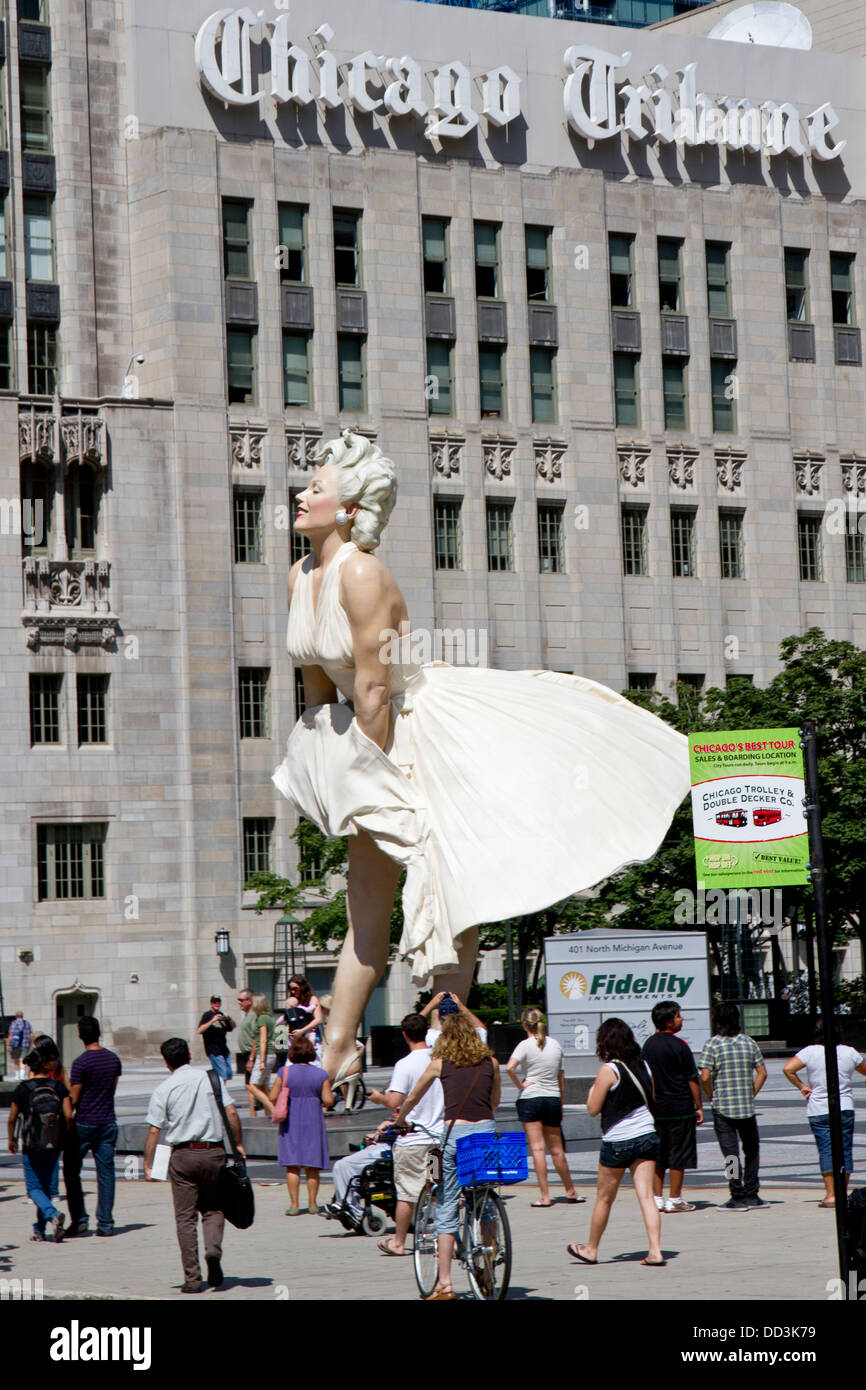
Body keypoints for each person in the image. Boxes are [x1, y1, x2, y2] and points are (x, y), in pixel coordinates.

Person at [271, 431, 690, 1084]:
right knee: (366, 904)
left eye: (317, 487)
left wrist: (367, 776)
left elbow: (377, 688)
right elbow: (319, 682)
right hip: (360, 733)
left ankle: (450, 1043)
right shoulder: (301, 575)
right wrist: (324, 757)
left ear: (349, 508)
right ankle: (341, 1047)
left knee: (448, 888)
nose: (302, 493)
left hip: (414, 732)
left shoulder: (362, 573)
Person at [394, 1012, 501, 1300]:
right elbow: (494, 1101)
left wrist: (401, 1117)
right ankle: (489, 1264)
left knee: (447, 1203)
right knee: (484, 1200)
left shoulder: (439, 1064)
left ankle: (445, 1284)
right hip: (486, 1135)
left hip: (454, 1135)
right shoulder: (491, 1063)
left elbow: (413, 1097)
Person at [143, 1037, 245, 1293]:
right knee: (213, 1208)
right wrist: (239, 1144)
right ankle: (213, 1251)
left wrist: (148, 1164)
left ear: (166, 1062)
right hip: (213, 1152)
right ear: (189, 1054)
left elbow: (154, 1131)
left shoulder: (163, 1089)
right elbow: (232, 1112)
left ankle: (192, 1278)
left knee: (185, 1217)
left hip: (183, 1156)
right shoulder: (211, 1079)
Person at [567, 1018, 664, 1268]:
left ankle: (591, 1249)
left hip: (618, 1141)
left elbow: (592, 1108)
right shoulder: (644, 1066)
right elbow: (651, 1098)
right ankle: (655, 1251)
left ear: (605, 1043)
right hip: (646, 1136)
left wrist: (593, 1090)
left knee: (604, 1199)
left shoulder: (609, 1070)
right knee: (646, 1196)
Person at [370, 1012, 445, 1254]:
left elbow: (394, 1101)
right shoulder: (441, 1060)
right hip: (438, 1139)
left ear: (404, 1035)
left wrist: (377, 1097)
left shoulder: (405, 1064)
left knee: (407, 1193)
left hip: (412, 1140)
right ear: (426, 1033)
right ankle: (442, 1239)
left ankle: (399, 1242)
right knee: (436, 1188)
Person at [782, 1018, 866, 1207]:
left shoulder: (810, 1052)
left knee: (826, 1150)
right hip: (844, 1106)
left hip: (818, 1108)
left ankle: (830, 1195)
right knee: (844, 1149)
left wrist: (802, 1087)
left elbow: (788, 1069)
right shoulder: (849, 1052)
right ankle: (842, 1193)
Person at [506, 1006, 582, 1208]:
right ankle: (571, 1191)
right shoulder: (555, 1045)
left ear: (525, 1024)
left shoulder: (524, 1045)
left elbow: (509, 1067)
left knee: (538, 1148)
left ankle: (545, 1196)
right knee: (557, 1149)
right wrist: (560, 1102)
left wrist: (520, 1085)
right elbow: (561, 1077)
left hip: (530, 1098)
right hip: (552, 1099)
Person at [252, 1036, 333, 1215]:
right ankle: (313, 1204)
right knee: (313, 1165)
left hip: (291, 1121)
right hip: (313, 1120)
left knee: (293, 1165)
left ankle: (294, 1205)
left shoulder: (284, 1072)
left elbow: (273, 1097)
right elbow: (328, 1100)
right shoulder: (321, 1074)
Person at [699, 1002, 768, 1212]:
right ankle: (752, 1193)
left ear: (717, 1021)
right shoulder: (749, 1042)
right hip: (746, 1106)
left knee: (730, 1154)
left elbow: (704, 1076)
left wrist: (711, 1096)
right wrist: (751, 1092)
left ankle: (736, 1195)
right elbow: (762, 1072)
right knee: (752, 1150)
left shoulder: (713, 1044)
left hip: (723, 1107)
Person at [642, 1001, 703, 1214]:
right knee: (679, 1154)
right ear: (669, 1021)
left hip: (656, 1109)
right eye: (678, 1016)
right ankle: (675, 1199)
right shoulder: (680, 1046)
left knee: (658, 1154)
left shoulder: (648, 1045)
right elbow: (691, 1079)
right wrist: (699, 1106)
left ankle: (657, 1198)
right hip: (680, 1107)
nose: (681, 1019)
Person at [7, 1048, 73, 1242]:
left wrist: (12, 1138)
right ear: (46, 1064)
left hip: (31, 1143)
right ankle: (39, 1230)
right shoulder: (57, 1086)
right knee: (44, 1187)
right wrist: (61, 1132)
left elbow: (12, 1118)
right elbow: (69, 1115)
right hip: (53, 1142)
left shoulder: (23, 1089)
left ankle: (53, 1215)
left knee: (34, 1189)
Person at [67, 1017, 123, 1237]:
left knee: (72, 1172)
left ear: (80, 1035)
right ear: (99, 1033)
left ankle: (80, 1220)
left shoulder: (80, 1063)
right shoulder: (113, 1059)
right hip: (107, 1122)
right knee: (106, 1174)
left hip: (84, 1123)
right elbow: (112, 1090)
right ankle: (106, 1223)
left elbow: (74, 1097)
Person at [421, 991, 487, 1049]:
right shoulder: (470, 1037)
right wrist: (462, 1007)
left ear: (439, 1017)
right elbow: (482, 1028)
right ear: (459, 1015)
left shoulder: (432, 1037)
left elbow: (413, 1026)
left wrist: (431, 1004)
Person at [196, 995, 235, 1081]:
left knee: (228, 1074)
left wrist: (229, 1019)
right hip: (213, 1050)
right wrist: (212, 1020)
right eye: (214, 1002)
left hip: (224, 1049)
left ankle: (219, 1090)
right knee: (222, 1074)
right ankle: (219, 1092)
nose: (216, 1004)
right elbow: (199, 1030)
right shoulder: (207, 1015)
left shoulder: (222, 1015)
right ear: (211, 1003)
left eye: (218, 1002)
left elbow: (232, 1028)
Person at [235, 989, 259, 1117]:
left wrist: (251, 1058)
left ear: (249, 1001)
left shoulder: (253, 1015)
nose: (239, 1002)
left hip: (251, 1054)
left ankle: (253, 1115)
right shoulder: (248, 1015)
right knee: (253, 1087)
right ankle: (254, 1112)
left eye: (241, 1000)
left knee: (251, 1086)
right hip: (246, 1054)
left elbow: (256, 1038)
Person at [247, 994, 276, 1093]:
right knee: (264, 1087)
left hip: (265, 1055)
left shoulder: (262, 1019)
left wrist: (262, 1061)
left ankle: (271, 1107)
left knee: (253, 1086)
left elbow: (263, 1040)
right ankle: (271, 1107)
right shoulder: (268, 1017)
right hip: (270, 1054)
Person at [9, 1011, 33, 1080]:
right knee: (23, 1059)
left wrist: (9, 1044)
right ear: (22, 1016)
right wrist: (31, 1043)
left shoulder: (13, 1023)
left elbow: (11, 1034)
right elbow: (31, 1034)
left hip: (15, 1044)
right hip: (25, 1043)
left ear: (16, 1016)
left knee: (16, 1059)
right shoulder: (27, 1023)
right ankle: (22, 1075)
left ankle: (17, 1075)